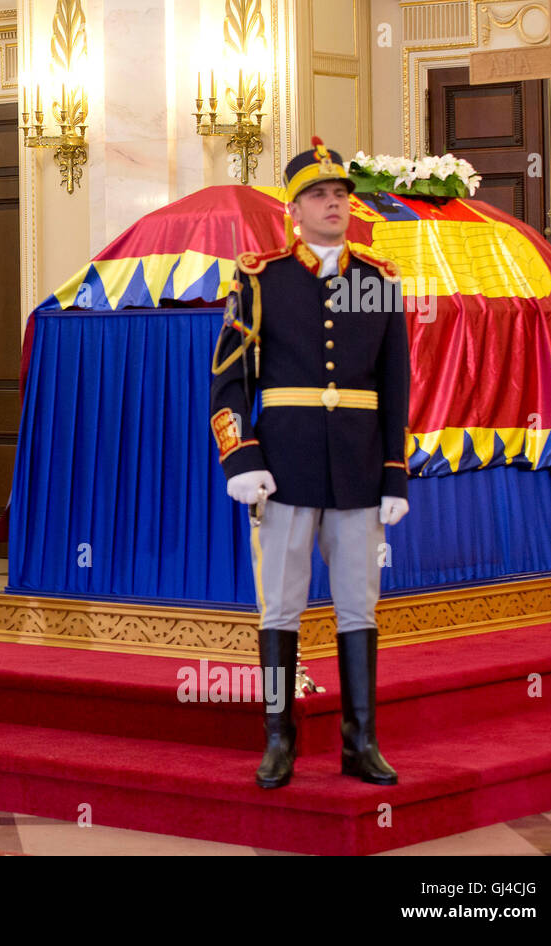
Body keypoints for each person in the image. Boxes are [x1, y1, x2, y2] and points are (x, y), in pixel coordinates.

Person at [209, 136, 409, 790]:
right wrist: (241, 456)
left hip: (356, 470)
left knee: (359, 607)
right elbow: (228, 379)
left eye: (341, 195)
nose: (333, 205)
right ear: (293, 210)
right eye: (319, 195)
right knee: (280, 609)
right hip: (285, 468)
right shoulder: (260, 277)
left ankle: (362, 742)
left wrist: (393, 471)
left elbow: (395, 383)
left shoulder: (377, 282)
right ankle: (279, 739)